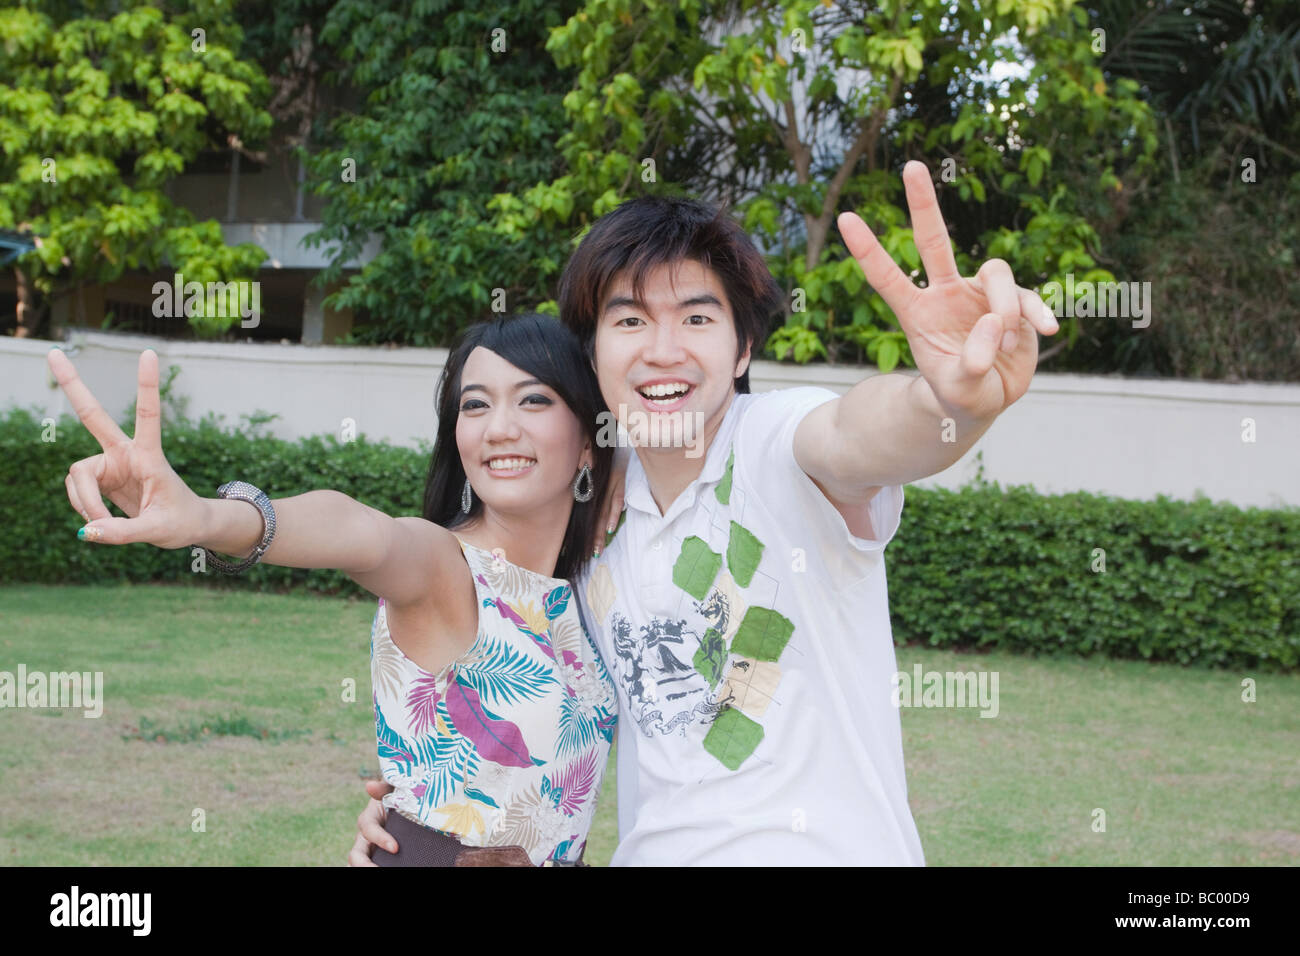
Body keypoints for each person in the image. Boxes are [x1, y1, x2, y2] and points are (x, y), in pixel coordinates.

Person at [352, 160, 1059, 865]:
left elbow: (858, 434)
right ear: (592, 354)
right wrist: (417, 819)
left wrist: (946, 405)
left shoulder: (776, 442)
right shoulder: (589, 512)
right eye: (629, 319)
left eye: (696, 316)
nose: (664, 351)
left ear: (743, 345)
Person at [50, 312, 622, 866]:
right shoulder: (443, 566)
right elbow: (362, 533)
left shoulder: (578, 590)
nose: (500, 427)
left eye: (534, 399)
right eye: (476, 404)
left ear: (588, 438)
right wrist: (204, 517)